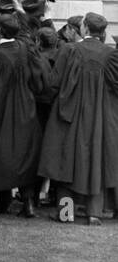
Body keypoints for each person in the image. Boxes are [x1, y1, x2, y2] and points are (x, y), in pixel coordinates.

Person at [37, 12, 118, 225]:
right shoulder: (110, 54)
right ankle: (93, 213)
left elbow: (54, 83)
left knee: (66, 163)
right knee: (96, 161)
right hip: (99, 118)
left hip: (70, 115)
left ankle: (66, 213)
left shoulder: (70, 50)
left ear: (84, 29)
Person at [0, 13, 50, 218]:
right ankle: (28, 202)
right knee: (25, 153)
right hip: (24, 107)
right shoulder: (26, 50)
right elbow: (40, 81)